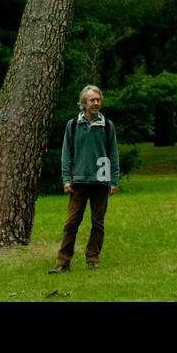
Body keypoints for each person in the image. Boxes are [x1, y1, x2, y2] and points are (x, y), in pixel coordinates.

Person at [48, 84, 119, 272]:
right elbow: (66, 154)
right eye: (91, 100)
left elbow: (113, 153)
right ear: (83, 103)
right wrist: (66, 179)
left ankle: (93, 257)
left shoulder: (107, 126)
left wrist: (113, 181)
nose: (95, 103)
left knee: (98, 223)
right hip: (78, 181)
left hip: (101, 181)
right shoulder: (73, 125)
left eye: (98, 100)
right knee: (72, 222)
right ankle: (63, 261)